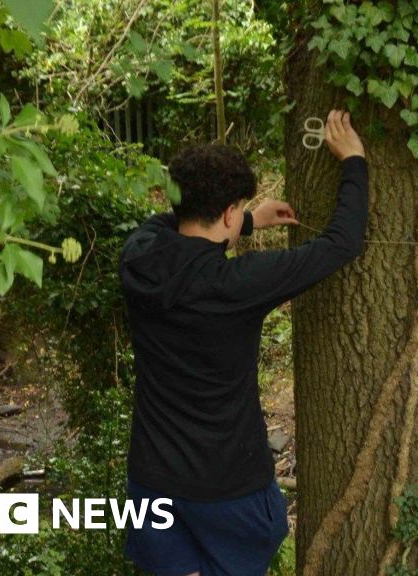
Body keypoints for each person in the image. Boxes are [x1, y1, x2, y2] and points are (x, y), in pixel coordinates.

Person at [118, 110, 367, 576]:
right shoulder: (237, 283)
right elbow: (342, 243)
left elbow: (167, 222)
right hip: (228, 491)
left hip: (151, 484)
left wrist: (247, 220)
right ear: (228, 210)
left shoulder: (139, 255)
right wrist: (353, 161)